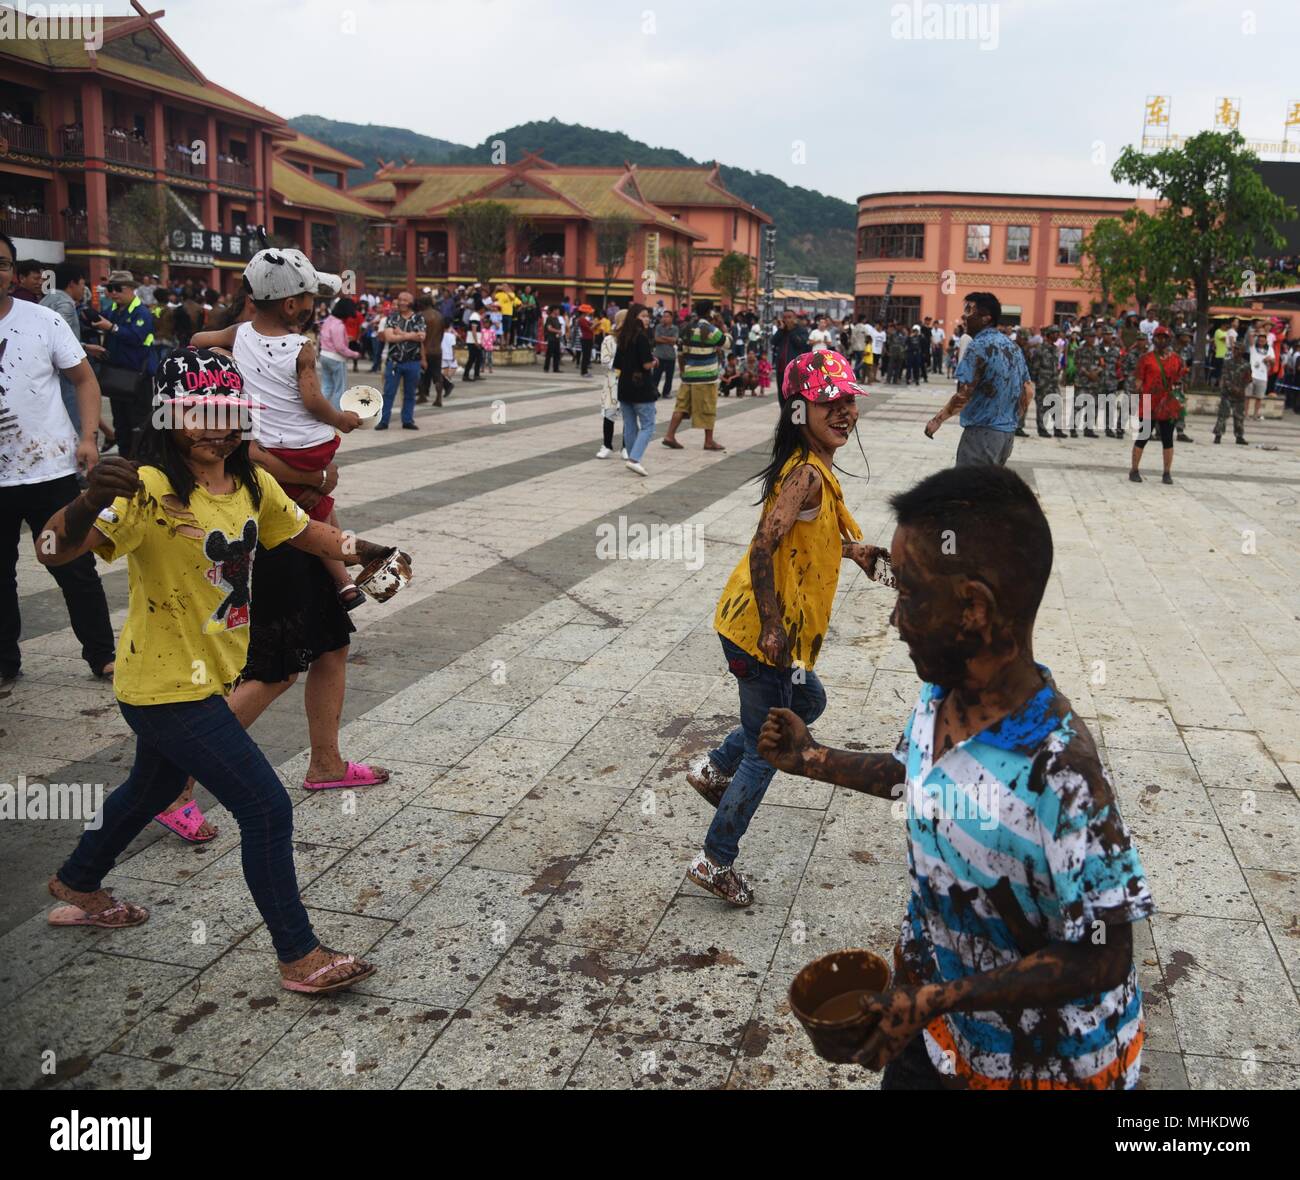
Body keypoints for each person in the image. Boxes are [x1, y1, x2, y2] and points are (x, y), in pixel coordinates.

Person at [758, 464, 1154, 1089]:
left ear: (973, 608)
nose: (894, 618)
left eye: (909, 593)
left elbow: (1104, 953)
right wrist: (813, 759)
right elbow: (919, 775)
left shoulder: (1060, 769)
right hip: (940, 1032)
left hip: (1047, 1068)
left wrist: (940, 999)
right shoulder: (940, 695)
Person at [36, 347, 399, 993]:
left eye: (229, 413)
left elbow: (306, 533)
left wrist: (366, 551)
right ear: (169, 415)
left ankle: (78, 881)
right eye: (198, 412)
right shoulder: (146, 488)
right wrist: (89, 501)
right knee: (265, 809)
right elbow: (54, 552)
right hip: (164, 688)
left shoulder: (252, 483)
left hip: (210, 676)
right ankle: (299, 955)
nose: (216, 428)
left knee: (147, 791)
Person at [685, 349, 876, 907]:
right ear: (800, 411)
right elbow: (764, 544)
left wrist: (854, 551)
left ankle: (716, 767)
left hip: (759, 630)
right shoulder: (805, 475)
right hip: (762, 634)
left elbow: (802, 537)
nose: (843, 412)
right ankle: (715, 859)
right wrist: (772, 626)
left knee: (806, 702)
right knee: (772, 744)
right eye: (828, 403)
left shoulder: (816, 470)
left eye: (848, 402)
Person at [191, 247, 365, 612]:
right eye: (310, 299)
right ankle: (343, 578)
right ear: (291, 306)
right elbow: (313, 400)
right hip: (309, 448)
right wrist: (340, 420)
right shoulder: (301, 346)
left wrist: (222, 356)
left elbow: (197, 341)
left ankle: (345, 574)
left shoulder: (238, 334)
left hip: (268, 449)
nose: (313, 306)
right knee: (317, 512)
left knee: (313, 509)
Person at [0, 231, 116, 683]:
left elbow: (85, 381)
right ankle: (5, 661)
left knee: (73, 564)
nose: (0, 271)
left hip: (49, 470)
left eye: (4, 262)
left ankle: (102, 654)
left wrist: (88, 437)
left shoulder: (42, 321)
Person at [925, 293, 1032, 466]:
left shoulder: (978, 346)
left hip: (981, 435)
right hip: (1006, 437)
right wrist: (1011, 418)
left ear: (985, 318)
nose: (964, 317)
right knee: (989, 488)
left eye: (969, 311)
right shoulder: (1013, 347)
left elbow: (964, 394)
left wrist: (937, 421)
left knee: (969, 489)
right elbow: (1028, 390)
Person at [97, 270, 155, 458]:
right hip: (117, 378)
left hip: (138, 378)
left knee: (139, 424)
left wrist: (111, 328)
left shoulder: (141, 312)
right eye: (110, 289)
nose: (113, 293)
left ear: (131, 289)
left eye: (117, 289)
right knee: (121, 424)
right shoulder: (113, 311)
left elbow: (136, 337)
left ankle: (142, 463)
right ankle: (125, 459)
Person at [662, 302, 726, 453]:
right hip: (706, 377)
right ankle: (709, 441)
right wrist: (722, 326)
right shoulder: (711, 330)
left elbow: (681, 352)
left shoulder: (686, 328)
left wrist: (684, 371)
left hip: (689, 375)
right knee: (708, 407)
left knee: (681, 406)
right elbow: (726, 343)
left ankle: (670, 435)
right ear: (709, 312)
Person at [1130, 325, 1183, 485]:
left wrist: (1179, 398)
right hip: (1148, 403)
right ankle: (1134, 470)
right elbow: (1138, 382)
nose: (1161, 340)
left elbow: (1180, 381)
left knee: (1167, 439)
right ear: (1153, 339)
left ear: (1169, 339)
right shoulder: (1145, 359)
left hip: (1168, 404)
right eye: (1158, 337)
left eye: (1164, 337)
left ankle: (1167, 473)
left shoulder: (1176, 360)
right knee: (1143, 437)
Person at [613, 303, 657, 477]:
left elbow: (617, 364)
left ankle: (632, 458)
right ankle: (634, 460)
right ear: (635, 318)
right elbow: (646, 364)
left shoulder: (623, 337)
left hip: (624, 386)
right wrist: (654, 362)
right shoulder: (642, 337)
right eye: (643, 316)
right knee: (648, 425)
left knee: (630, 425)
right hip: (641, 387)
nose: (647, 319)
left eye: (648, 316)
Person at [378, 290, 425, 427]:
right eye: (400, 299)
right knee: (388, 392)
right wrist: (411, 335)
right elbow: (389, 337)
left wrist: (401, 333)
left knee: (410, 393)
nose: (402, 302)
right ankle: (383, 421)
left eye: (405, 300)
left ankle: (408, 420)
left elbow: (422, 337)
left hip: (413, 361)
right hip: (394, 361)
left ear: (411, 302)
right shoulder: (392, 317)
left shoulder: (418, 318)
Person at [317, 297, 359, 410]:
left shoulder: (327, 320)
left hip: (324, 355)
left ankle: (318, 411)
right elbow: (340, 348)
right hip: (336, 358)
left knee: (327, 386)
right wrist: (355, 354)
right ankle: (337, 414)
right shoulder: (339, 325)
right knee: (339, 389)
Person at [596, 308, 626, 460]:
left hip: (628, 382)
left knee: (629, 415)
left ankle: (626, 447)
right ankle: (607, 445)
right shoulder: (609, 340)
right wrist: (622, 362)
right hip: (612, 382)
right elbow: (605, 361)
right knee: (609, 414)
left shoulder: (634, 339)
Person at [1214, 339, 1251, 445]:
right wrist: (1233, 388)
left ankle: (1239, 436)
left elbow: (1249, 378)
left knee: (1239, 416)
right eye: (1235, 349)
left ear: (1242, 351)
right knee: (1223, 415)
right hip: (1227, 393)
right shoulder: (1228, 362)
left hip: (1240, 395)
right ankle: (1218, 435)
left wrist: (1242, 388)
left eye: (1238, 349)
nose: (1235, 351)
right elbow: (1225, 377)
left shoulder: (1246, 364)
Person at [1029, 326, 1064, 438]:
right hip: (1043, 382)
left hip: (1054, 382)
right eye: (1054, 333)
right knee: (1042, 406)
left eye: (1058, 333)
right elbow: (1035, 367)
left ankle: (1057, 429)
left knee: (1057, 405)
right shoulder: (1040, 349)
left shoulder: (1055, 349)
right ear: (1048, 334)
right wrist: (1037, 381)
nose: (1057, 335)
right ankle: (1042, 429)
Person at [652, 310, 678, 399]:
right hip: (659, 355)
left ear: (671, 318)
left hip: (670, 356)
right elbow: (656, 339)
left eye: (667, 316)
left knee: (669, 377)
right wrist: (669, 340)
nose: (665, 318)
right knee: (656, 375)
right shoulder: (658, 327)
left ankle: (666, 393)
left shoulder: (675, 328)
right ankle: (654, 392)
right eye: (664, 316)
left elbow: (675, 340)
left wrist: (663, 338)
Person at [1247, 329, 1271, 421]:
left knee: (1259, 397)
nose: (1261, 341)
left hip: (1262, 376)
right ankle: (1246, 414)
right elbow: (1250, 335)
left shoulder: (1269, 349)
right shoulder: (1253, 347)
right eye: (1260, 339)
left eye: (1263, 340)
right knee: (1247, 396)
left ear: (1266, 341)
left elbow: (1273, 362)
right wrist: (1259, 333)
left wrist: (1269, 361)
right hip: (1251, 375)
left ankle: (1255, 415)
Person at [543, 306, 563, 372]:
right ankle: (546, 368)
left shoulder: (557, 318)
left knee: (557, 354)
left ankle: (556, 368)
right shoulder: (549, 318)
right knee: (549, 354)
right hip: (551, 338)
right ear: (554, 310)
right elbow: (549, 328)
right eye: (557, 310)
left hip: (557, 338)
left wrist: (559, 332)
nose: (558, 312)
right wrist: (558, 331)